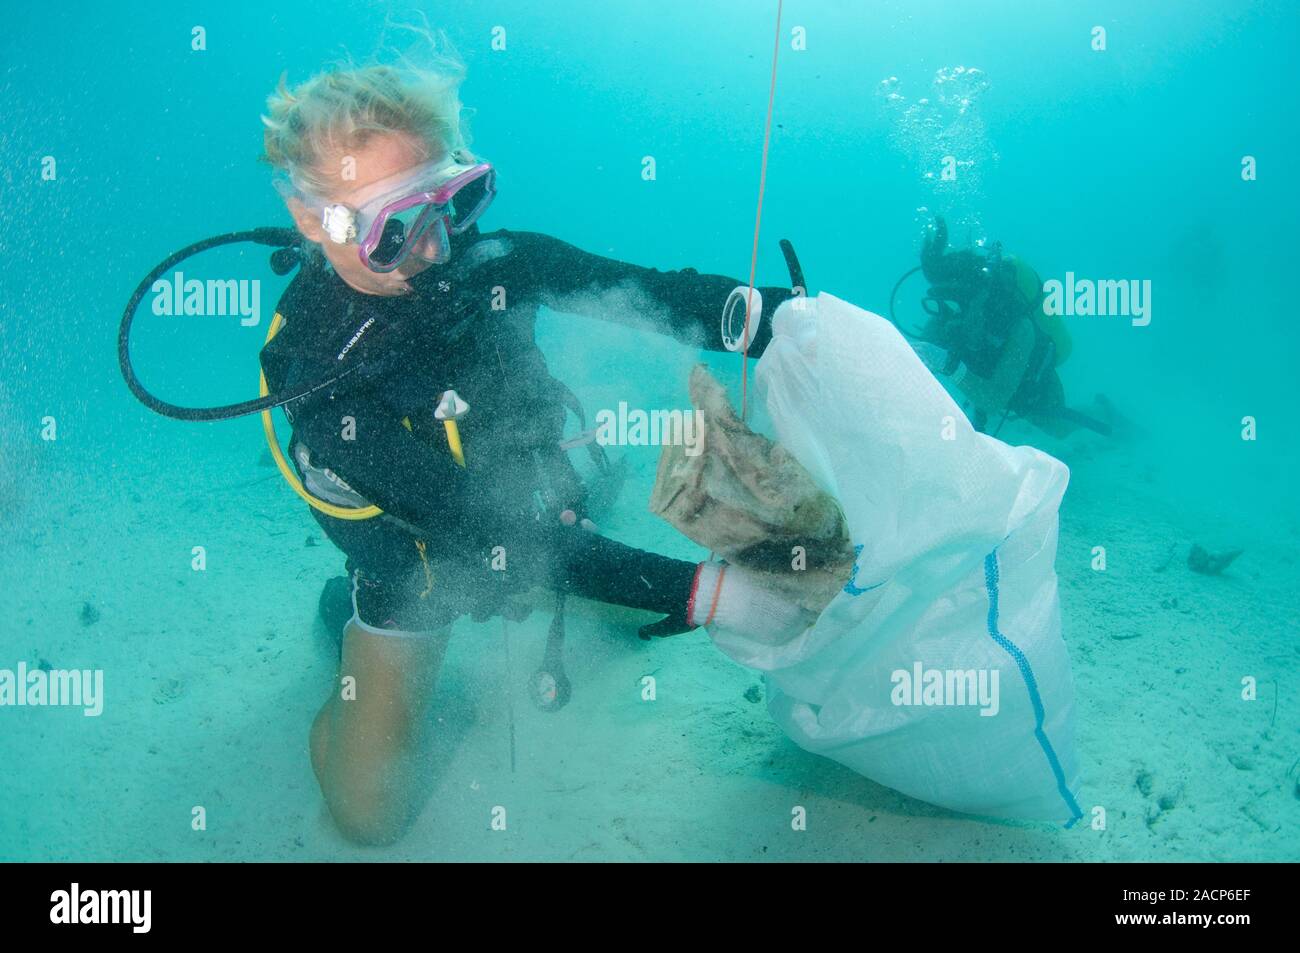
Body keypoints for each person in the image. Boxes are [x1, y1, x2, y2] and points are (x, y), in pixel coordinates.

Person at [258, 58, 812, 843]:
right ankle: (345, 625)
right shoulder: (319, 372)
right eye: (393, 227)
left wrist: (778, 323)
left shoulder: (493, 259)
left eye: (454, 200)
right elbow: (484, 536)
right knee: (369, 817)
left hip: (520, 491)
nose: (435, 247)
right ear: (312, 218)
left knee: (564, 532)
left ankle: (589, 562)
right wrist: (714, 594)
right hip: (417, 550)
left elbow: (649, 292)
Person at [911, 216, 1108, 438]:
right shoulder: (949, 318)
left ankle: (1102, 410)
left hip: (1031, 385)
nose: (952, 313)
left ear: (980, 295)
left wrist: (945, 364)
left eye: (960, 302)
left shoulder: (1019, 327)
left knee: (1056, 427)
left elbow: (994, 400)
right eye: (944, 300)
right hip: (986, 380)